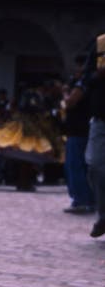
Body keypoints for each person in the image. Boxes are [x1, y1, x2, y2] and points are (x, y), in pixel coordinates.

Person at [61, 55, 94, 214]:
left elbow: (70, 102)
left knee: (75, 165)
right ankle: (89, 200)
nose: (76, 70)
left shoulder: (84, 83)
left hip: (78, 130)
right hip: (86, 129)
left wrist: (65, 93)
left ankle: (80, 200)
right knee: (86, 166)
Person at [82, 33, 105, 238]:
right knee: (96, 167)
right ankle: (103, 214)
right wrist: (97, 75)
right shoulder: (100, 43)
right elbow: (85, 77)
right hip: (101, 119)